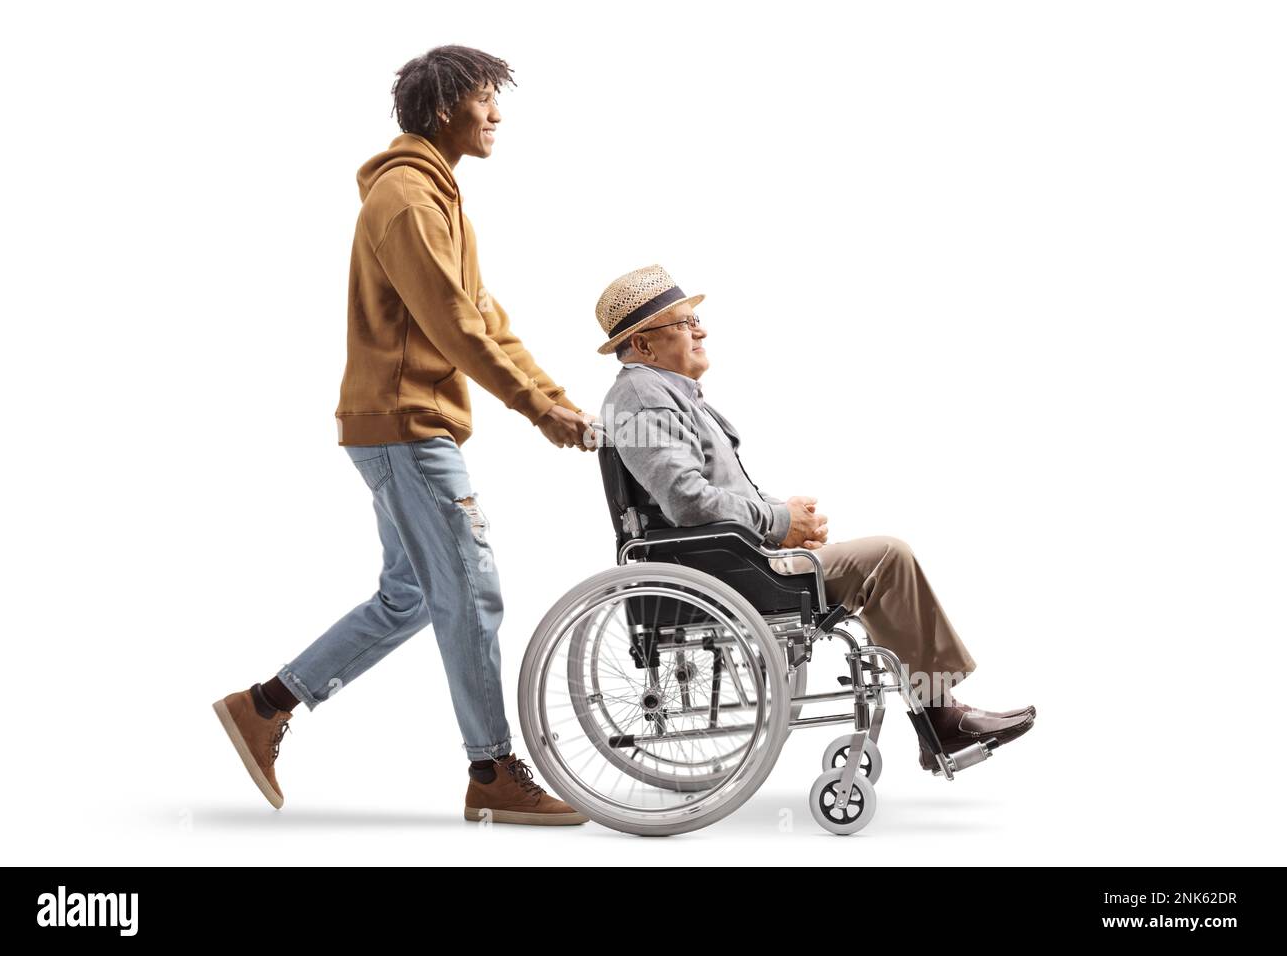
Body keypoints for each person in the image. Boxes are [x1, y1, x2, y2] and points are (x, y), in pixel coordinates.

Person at [213, 46, 591, 825]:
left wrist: (556, 400)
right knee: (472, 589)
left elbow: (486, 320)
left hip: (402, 425)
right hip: (408, 427)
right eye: (486, 99)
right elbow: (455, 327)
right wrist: (533, 408)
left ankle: (263, 707)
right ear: (447, 105)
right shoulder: (411, 201)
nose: (497, 115)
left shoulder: (439, 198)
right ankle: (490, 771)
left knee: (413, 594)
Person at [592, 264, 1036, 772]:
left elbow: (709, 492)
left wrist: (787, 521)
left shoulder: (663, 393)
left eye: (697, 320)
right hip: (714, 570)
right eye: (686, 322)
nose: (702, 330)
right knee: (888, 557)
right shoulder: (643, 397)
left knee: (872, 563)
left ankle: (938, 717)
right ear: (645, 346)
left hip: (731, 557)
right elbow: (687, 502)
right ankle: (940, 718)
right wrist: (779, 522)